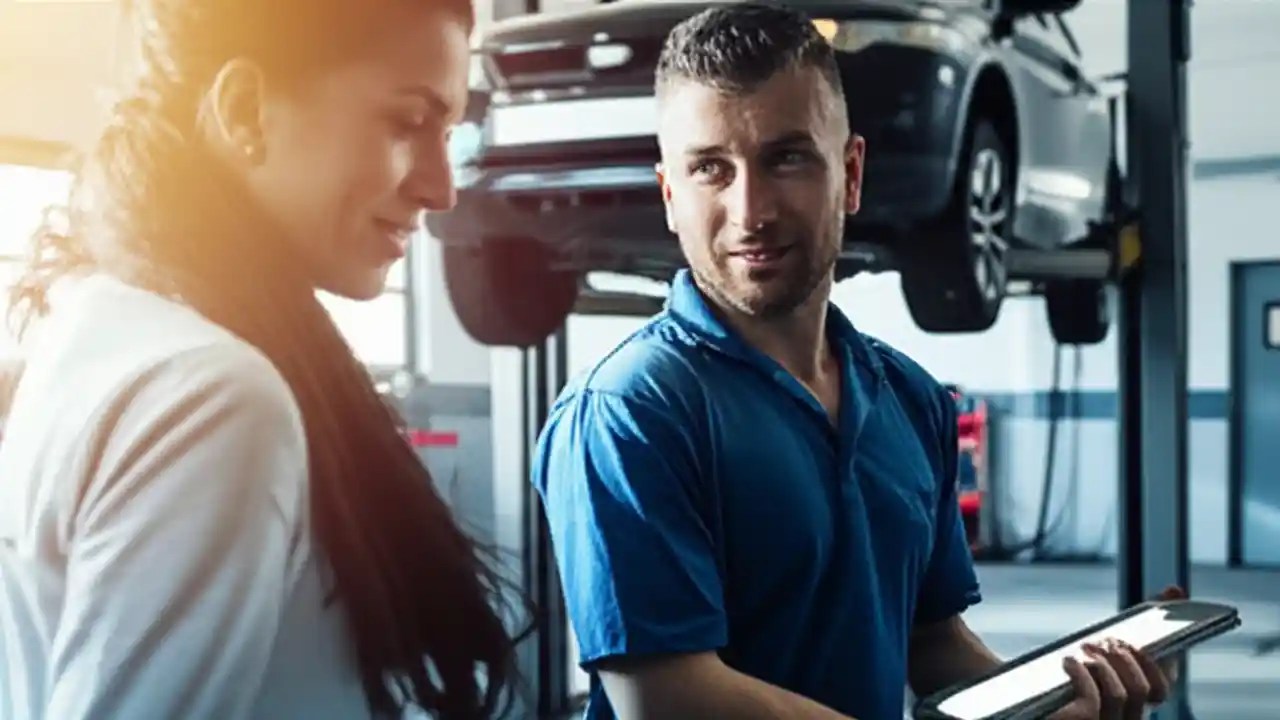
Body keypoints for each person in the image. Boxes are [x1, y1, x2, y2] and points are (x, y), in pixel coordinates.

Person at [531, 4, 1182, 719]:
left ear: (851, 173)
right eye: (710, 168)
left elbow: (931, 642)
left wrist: (1051, 704)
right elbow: (664, 697)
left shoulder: (911, 399)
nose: (750, 210)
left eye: (786, 158)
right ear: (669, 195)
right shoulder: (630, 411)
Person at [0, 1, 523, 718]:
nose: (442, 187)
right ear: (244, 110)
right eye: (408, 122)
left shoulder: (96, 316)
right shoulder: (211, 396)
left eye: (450, 133)